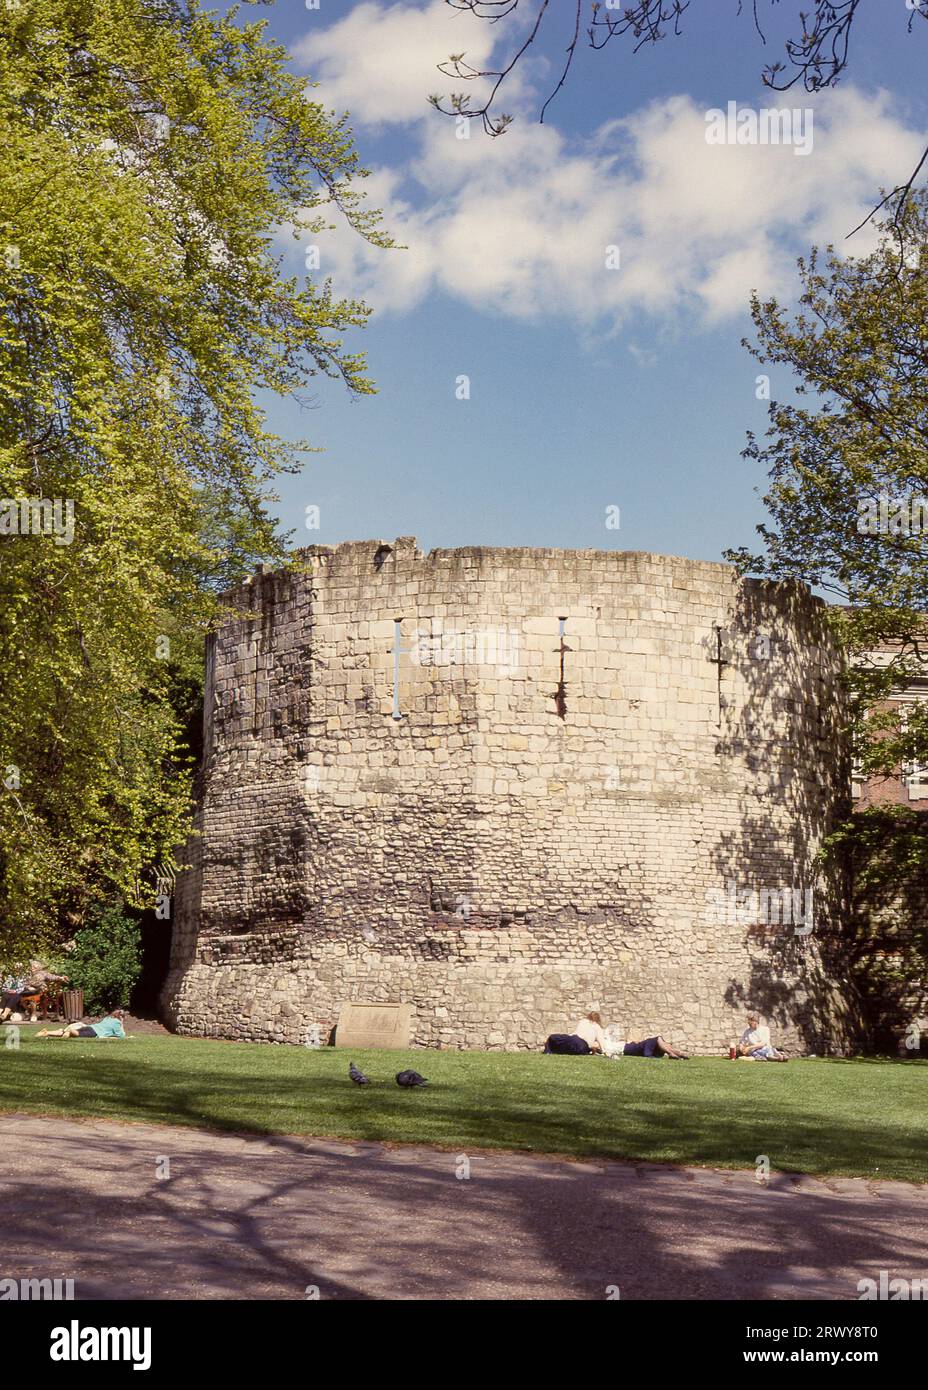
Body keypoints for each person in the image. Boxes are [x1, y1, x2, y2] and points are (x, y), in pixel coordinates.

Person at [37, 1009, 127, 1040]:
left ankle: (47, 1032)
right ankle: (70, 1030)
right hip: (95, 1033)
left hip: (90, 1027)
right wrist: (121, 1023)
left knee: (66, 1032)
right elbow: (121, 1036)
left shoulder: (108, 1018)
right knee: (77, 1034)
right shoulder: (117, 1022)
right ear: (121, 1017)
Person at [612, 1032, 689, 1059]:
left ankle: (675, 1053)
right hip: (623, 1047)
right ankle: (674, 1053)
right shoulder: (650, 1042)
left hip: (624, 1047)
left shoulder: (658, 1051)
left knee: (664, 1044)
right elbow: (647, 1055)